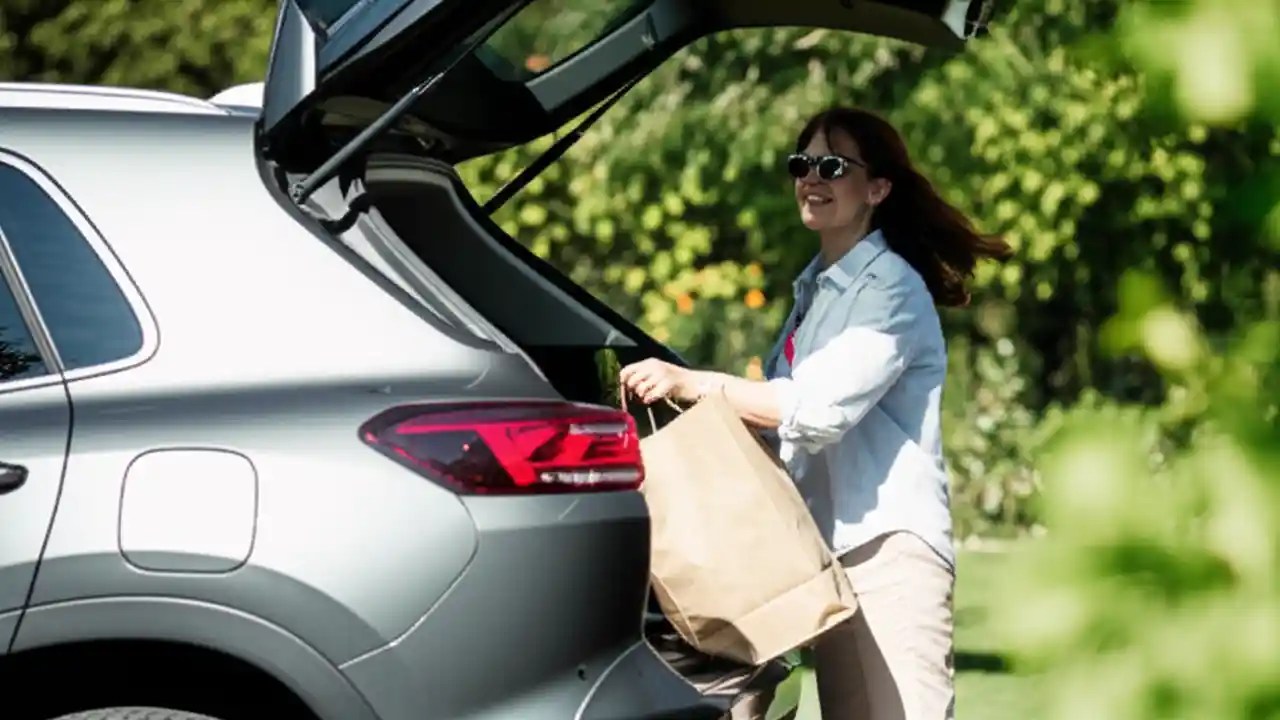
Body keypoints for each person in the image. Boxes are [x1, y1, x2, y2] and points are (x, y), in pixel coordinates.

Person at [619, 106, 1012, 720]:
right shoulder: (816, 290)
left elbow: (816, 411)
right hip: (821, 557)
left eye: (832, 164)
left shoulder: (889, 290)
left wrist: (696, 384)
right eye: (802, 164)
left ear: (878, 189)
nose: (811, 177)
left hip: (887, 555)